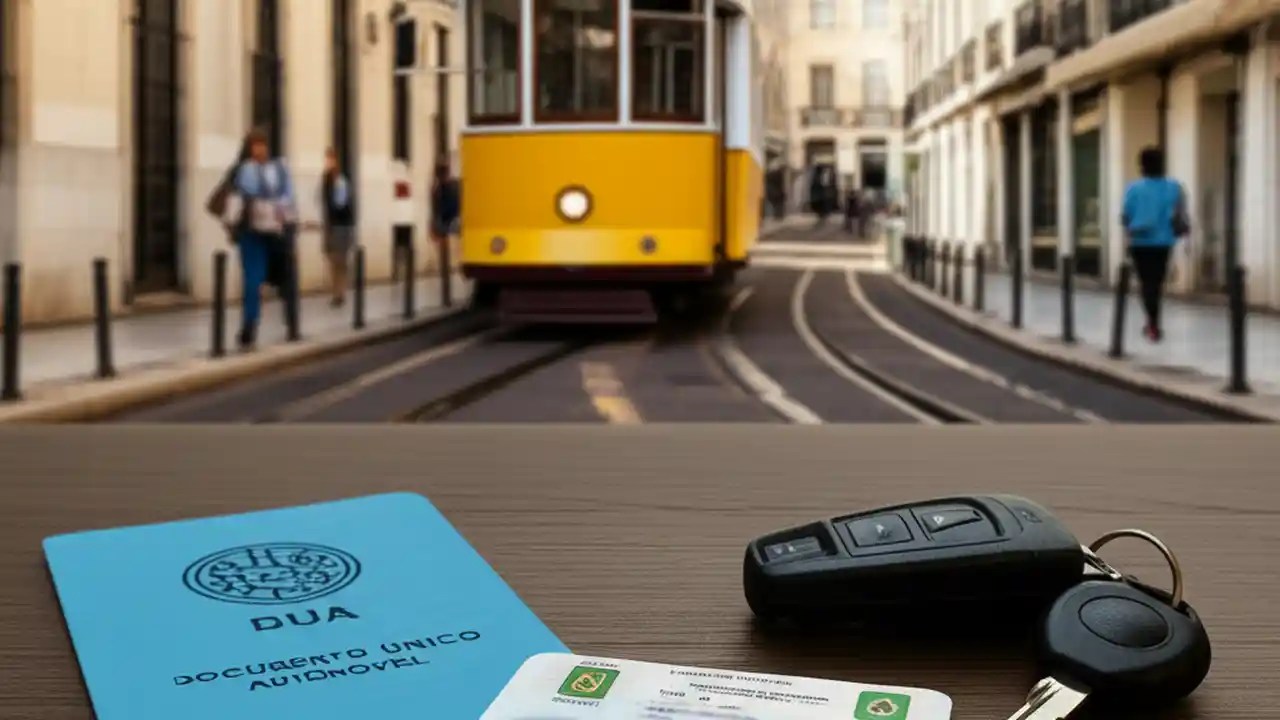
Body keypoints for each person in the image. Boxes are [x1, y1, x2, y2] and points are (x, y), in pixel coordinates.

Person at [230, 128, 297, 349]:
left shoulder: (278, 168)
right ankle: (250, 325)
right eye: (254, 145)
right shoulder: (246, 169)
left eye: (261, 144)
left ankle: (291, 322)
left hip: (276, 233)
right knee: (253, 279)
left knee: (285, 278)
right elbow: (243, 194)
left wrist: (282, 211)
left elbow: (288, 196)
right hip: (253, 233)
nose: (258, 149)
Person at [1121, 147, 1188, 342]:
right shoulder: (1174, 187)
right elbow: (1181, 214)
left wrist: (1132, 228)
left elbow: (1125, 216)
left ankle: (1152, 322)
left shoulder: (1133, 188)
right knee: (1156, 283)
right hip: (1163, 242)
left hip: (1140, 242)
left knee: (1146, 283)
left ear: (1142, 165)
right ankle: (1153, 322)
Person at [319, 148, 356, 307]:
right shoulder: (326, 179)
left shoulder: (341, 180)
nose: (329, 162)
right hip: (331, 224)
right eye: (327, 159)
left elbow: (340, 204)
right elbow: (325, 202)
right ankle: (337, 291)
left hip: (341, 225)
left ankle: (339, 293)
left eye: (331, 159)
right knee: (332, 259)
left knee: (339, 260)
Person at [430, 160, 461, 261]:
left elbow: (436, 210)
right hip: (451, 221)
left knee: (445, 251)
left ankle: (446, 269)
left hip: (449, 222)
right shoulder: (455, 185)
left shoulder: (438, 189)